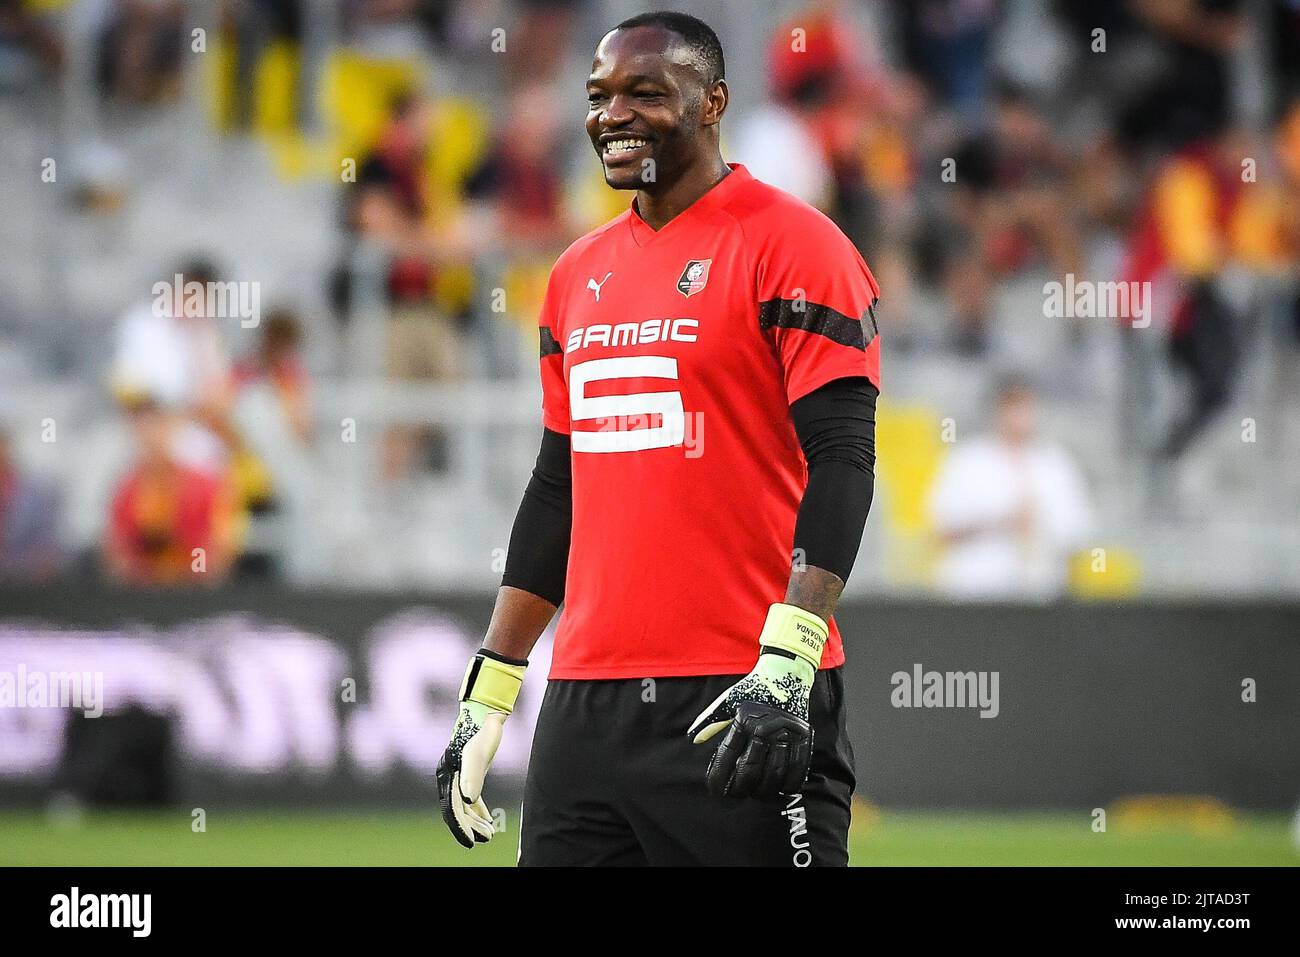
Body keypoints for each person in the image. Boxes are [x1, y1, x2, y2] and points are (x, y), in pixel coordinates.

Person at [435, 12, 881, 866]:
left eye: (647, 92)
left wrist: (789, 655)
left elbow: (844, 460)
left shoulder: (799, 246)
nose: (614, 114)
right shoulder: (574, 275)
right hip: (584, 706)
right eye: (599, 95)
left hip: (744, 689)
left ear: (712, 102)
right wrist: (492, 687)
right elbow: (557, 489)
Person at [928, 376, 1091, 600]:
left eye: (1024, 407)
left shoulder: (1055, 464)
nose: (1018, 417)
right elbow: (941, 529)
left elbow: (1076, 533)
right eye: (1011, 407)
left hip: (1039, 595)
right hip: (975, 593)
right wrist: (1002, 523)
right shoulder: (967, 461)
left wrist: (1038, 525)